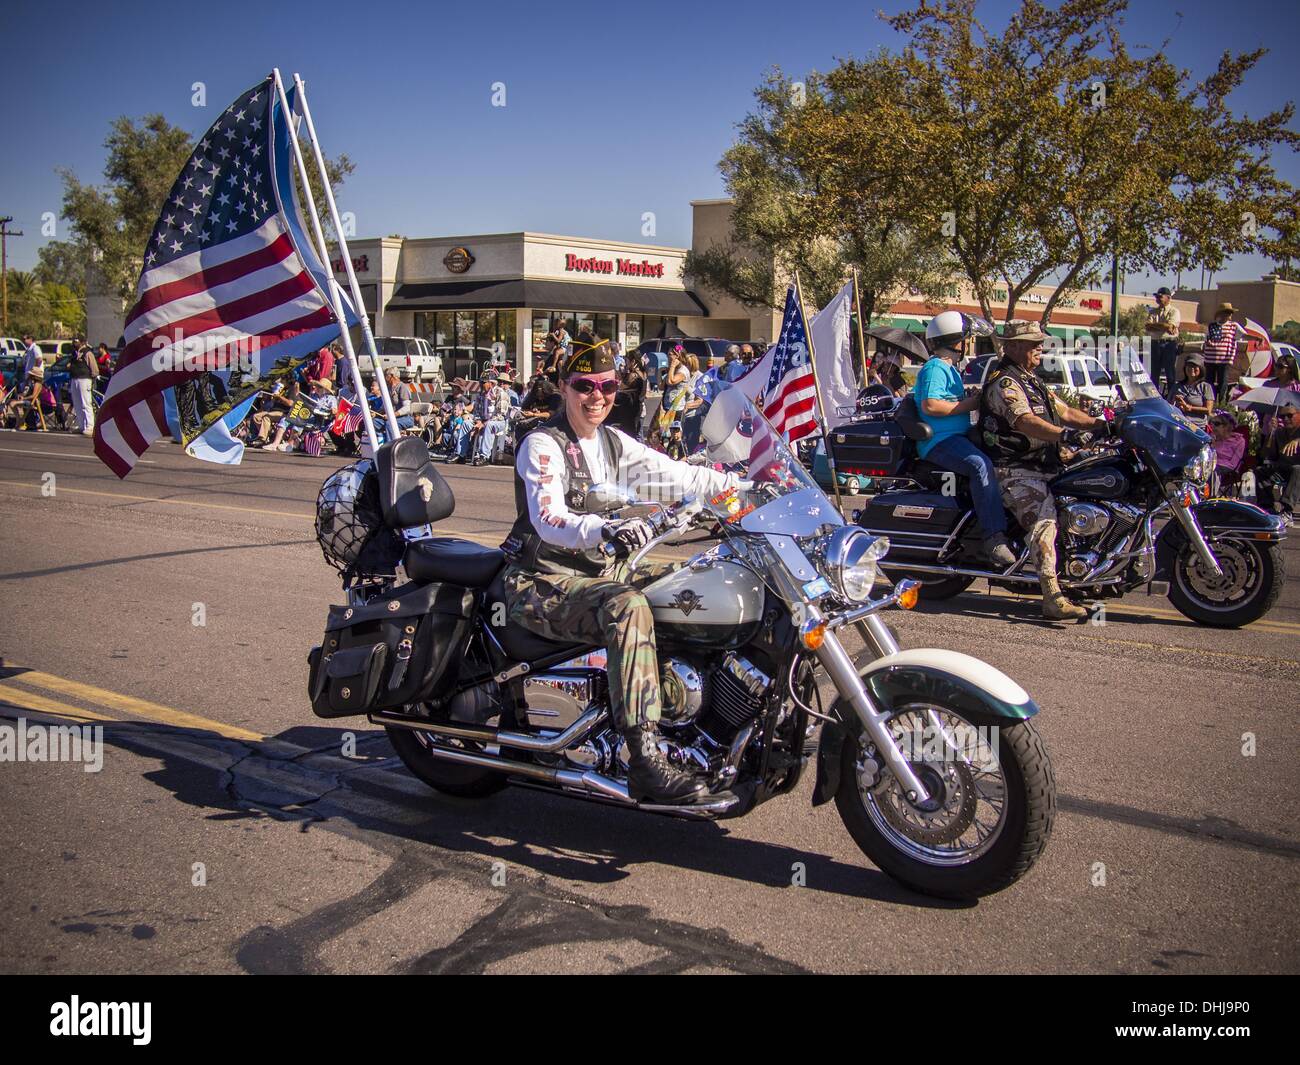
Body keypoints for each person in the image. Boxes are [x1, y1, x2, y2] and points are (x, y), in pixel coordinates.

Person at [499, 343, 738, 803]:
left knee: (691, 583)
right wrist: (603, 529)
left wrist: (742, 485)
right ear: (565, 388)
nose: (597, 396)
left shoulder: (612, 441)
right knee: (626, 607)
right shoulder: (543, 444)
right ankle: (645, 759)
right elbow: (548, 518)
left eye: (606, 386)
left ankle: (686, 708)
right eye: (584, 386)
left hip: (598, 568)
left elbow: (675, 476)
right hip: (542, 579)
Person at [979, 321, 1111, 620]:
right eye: (1032, 342)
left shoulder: (1032, 380)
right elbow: (1024, 421)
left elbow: (1065, 411)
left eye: (1040, 341)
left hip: (1044, 464)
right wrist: (1064, 435)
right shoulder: (1006, 383)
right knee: (1045, 519)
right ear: (1011, 347)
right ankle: (1051, 597)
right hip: (1015, 469)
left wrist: (1102, 424)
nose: (1040, 347)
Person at [915, 311, 1015, 565]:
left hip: (957, 436)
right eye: (966, 338)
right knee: (979, 464)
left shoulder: (949, 369)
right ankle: (994, 536)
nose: (968, 343)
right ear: (955, 340)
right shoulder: (935, 368)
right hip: (940, 441)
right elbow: (931, 406)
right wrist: (971, 403)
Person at [1257, 405, 1300, 517]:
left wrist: (1298, 440)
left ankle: (1286, 509)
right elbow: (1266, 455)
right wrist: (1270, 435)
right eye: (1282, 416)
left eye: (1289, 415)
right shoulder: (1279, 433)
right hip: (1283, 471)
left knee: (1297, 469)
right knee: (1260, 471)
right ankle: (1268, 507)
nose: (1285, 419)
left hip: (1297, 473)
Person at [1201, 303, 1245, 399]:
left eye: (1229, 313)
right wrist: (1207, 344)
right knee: (1209, 382)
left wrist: (1257, 338)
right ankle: (1208, 400)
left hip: (1225, 359)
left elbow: (1243, 335)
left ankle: (1220, 402)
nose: (1227, 315)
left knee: (1223, 381)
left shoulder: (1234, 326)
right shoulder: (1211, 326)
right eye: (1225, 313)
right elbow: (1206, 339)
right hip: (1210, 358)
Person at [1145, 287, 1181, 399]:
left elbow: (1170, 326)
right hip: (1155, 343)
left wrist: (1156, 325)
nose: (1157, 298)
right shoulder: (1153, 311)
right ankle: (1155, 397)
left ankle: (1171, 398)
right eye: (1156, 296)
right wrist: (1164, 326)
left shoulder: (1174, 311)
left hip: (1169, 344)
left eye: (1160, 296)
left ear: (1168, 298)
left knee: (1170, 373)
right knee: (1154, 373)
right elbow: (1147, 326)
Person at [471, 369, 511, 466]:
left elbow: (500, 415)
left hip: (500, 423)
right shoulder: (481, 394)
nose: (481, 384)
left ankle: (484, 456)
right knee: (466, 424)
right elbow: (476, 411)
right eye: (480, 382)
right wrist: (478, 421)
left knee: (489, 425)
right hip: (483, 421)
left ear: (491, 383)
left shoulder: (500, 393)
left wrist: (483, 423)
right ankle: (460, 454)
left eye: (483, 382)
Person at [1172, 352, 1214, 429]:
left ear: (1201, 368)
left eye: (1195, 366)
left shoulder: (1205, 387)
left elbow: (1208, 410)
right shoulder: (1177, 386)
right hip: (1178, 425)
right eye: (1189, 366)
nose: (1191, 369)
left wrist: (1189, 408)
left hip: (1196, 427)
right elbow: (1169, 405)